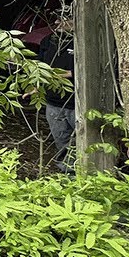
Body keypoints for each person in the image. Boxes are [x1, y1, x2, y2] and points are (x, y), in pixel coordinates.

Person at [38, 16, 76, 172]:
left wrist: (69, 74)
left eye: (63, 19)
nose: (57, 23)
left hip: (78, 102)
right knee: (61, 140)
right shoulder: (48, 41)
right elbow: (39, 66)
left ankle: (89, 174)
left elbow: (96, 69)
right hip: (53, 102)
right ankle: (68, 172)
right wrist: (37, 86)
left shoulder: (84, 41)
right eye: (56, 19)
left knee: (84, 141)